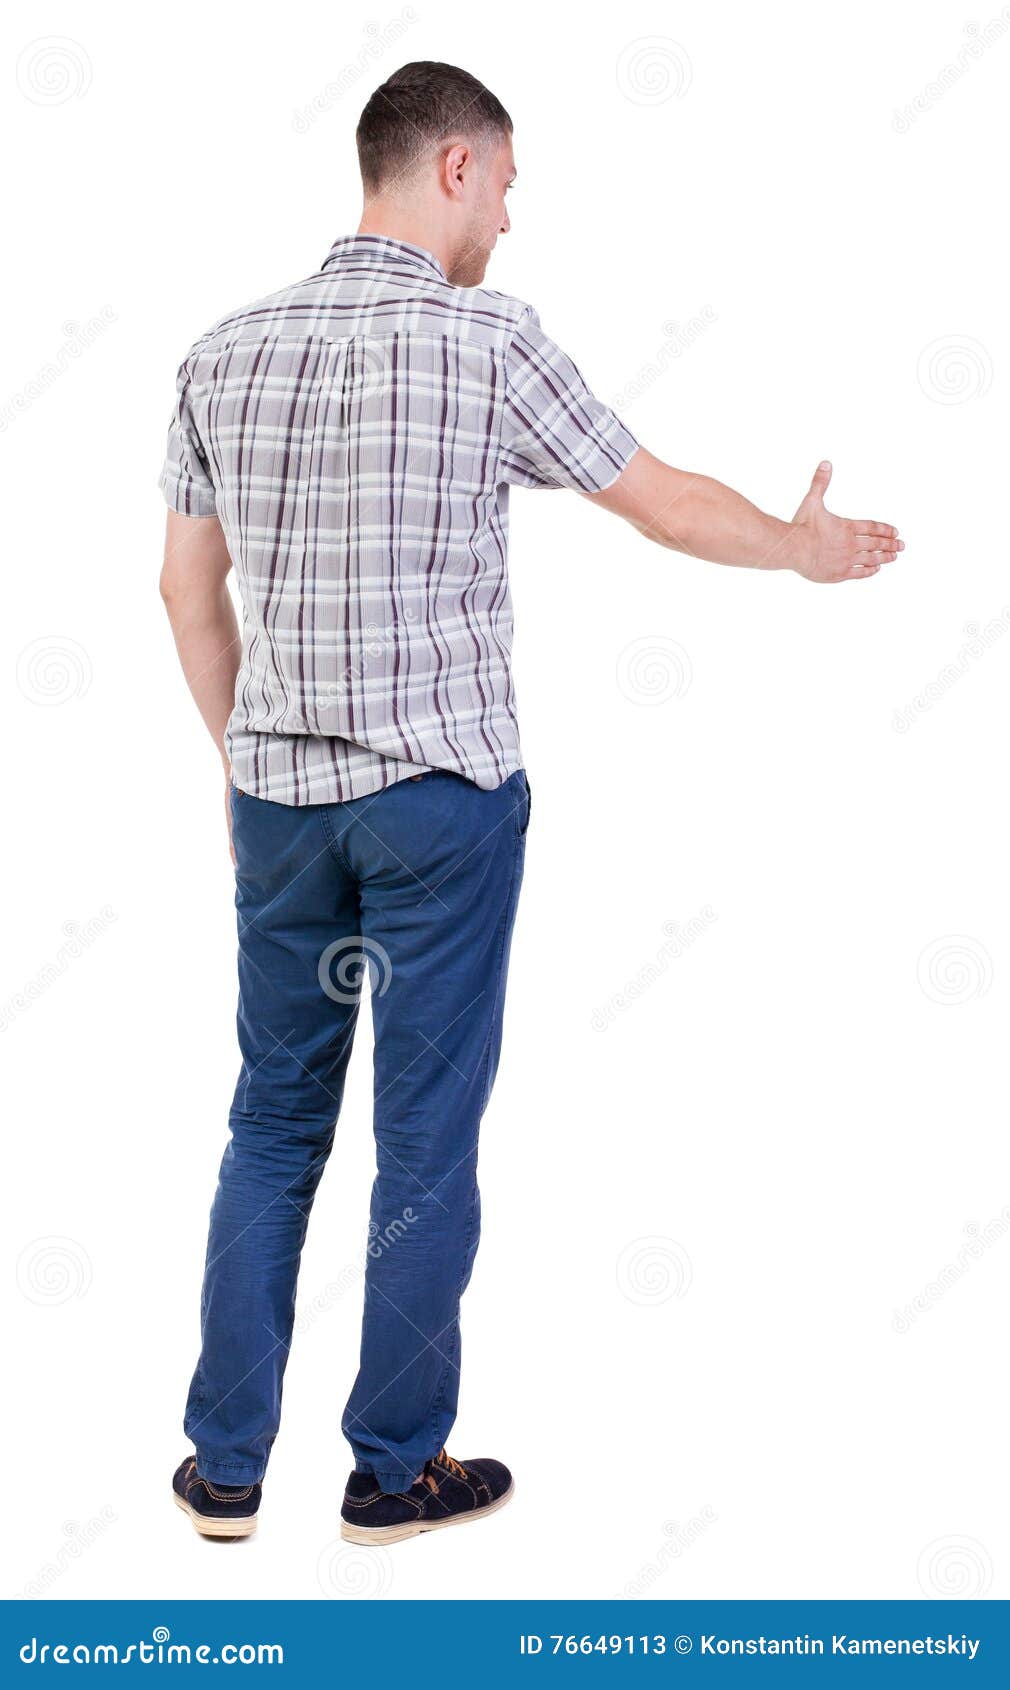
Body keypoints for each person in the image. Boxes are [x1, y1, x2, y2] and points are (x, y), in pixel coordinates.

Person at [160, 60, 903, 1545]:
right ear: (451, 167)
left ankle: (225, 1468)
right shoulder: (485, 338)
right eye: (504, 181)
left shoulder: (220, 352)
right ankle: (389, 1471)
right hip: (438, 811)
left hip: (282, 808)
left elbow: (188, 593)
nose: (510, 212)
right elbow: (654, 494)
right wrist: (794, 549)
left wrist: (252, 768)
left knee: (272, 1116)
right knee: (423, 1138)